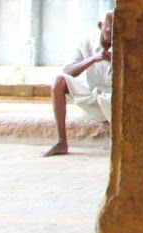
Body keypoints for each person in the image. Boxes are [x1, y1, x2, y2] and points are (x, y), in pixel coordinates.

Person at [44, 11, 113, 156]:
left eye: (117, 30)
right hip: (93, 99)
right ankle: (61, 142)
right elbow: (67, 71)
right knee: (59, 80)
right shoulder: (87, 41)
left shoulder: (126, 42)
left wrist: (114, 59)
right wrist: (93, 59)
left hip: (115, 102)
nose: (113, 34)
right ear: (100, 26)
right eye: (109, 30)